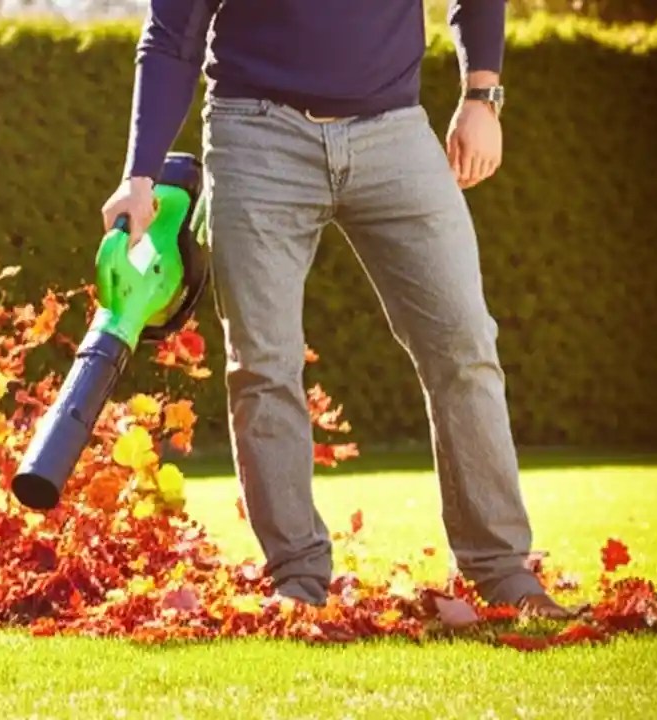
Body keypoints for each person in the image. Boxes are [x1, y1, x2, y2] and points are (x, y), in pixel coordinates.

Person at [101, 0, 571, 617]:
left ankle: (504, 572)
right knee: (264, 365)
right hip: (256, 137)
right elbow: (172, 34)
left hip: (394, 133)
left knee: (464, 344)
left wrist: (482, 95)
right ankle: (297, 582)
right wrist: (138, 176)